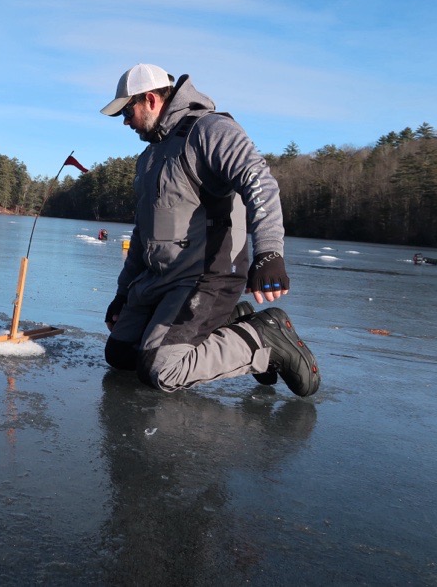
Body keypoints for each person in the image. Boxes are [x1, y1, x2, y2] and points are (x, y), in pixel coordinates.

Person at [99, 63, 319, 396]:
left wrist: (269, 251)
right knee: (121, 354)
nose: (125, 121)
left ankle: (265, 338)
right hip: (160, 280)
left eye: (127, 111)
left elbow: (259, 182)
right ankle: (230, 320)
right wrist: (123, 291)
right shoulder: (149, 157)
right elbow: (143, 232)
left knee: (161, 370)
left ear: (151, 99)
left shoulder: (209, 130)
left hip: (207, 277)